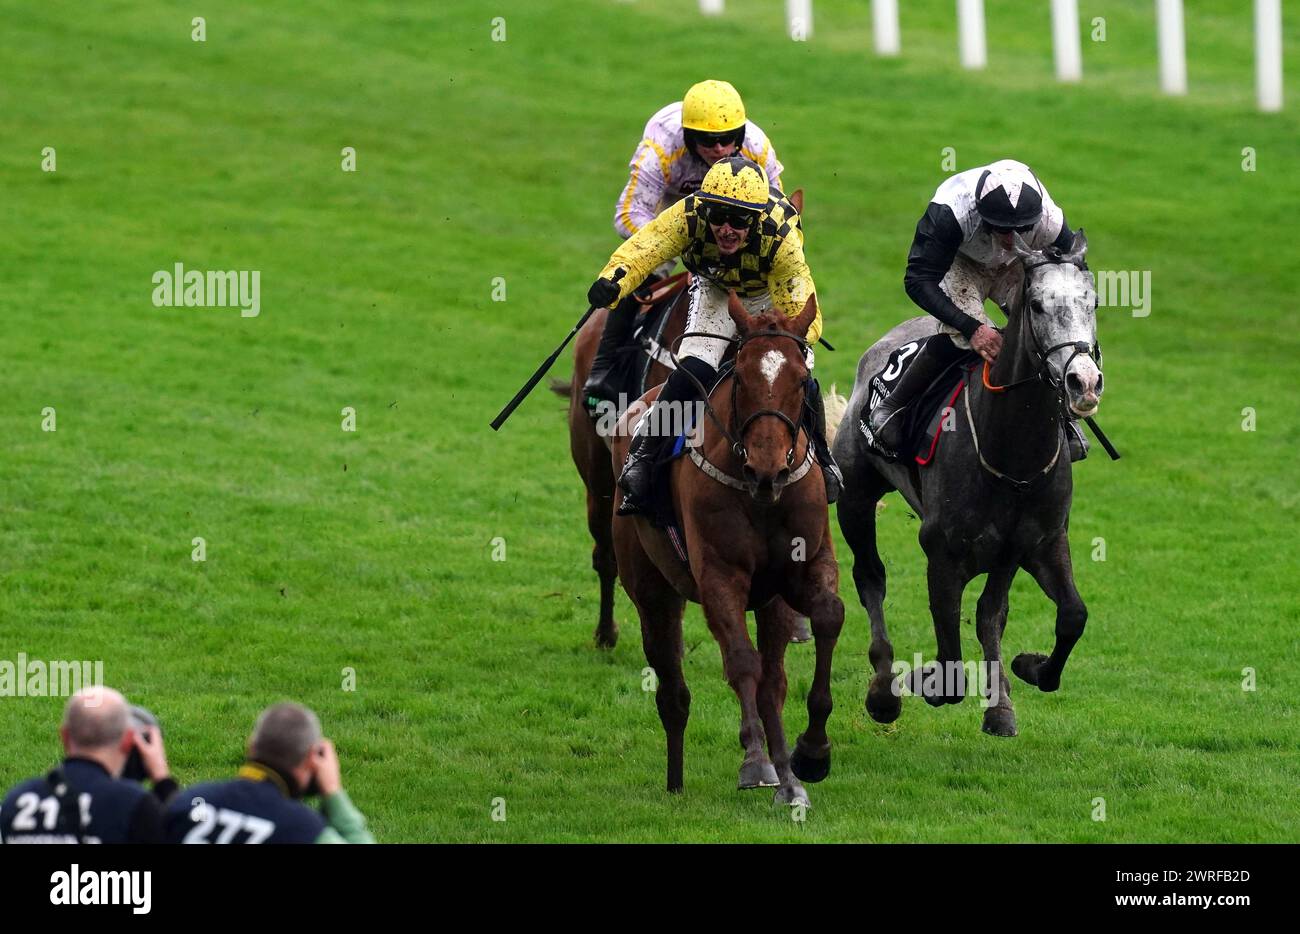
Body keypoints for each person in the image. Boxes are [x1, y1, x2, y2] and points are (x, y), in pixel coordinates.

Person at [587, 155, 841, 515]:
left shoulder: (781, 237)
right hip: (716, 288)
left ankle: (824, 459)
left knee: (796, 372)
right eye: (717, 216)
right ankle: (643, 456)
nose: (725, 228)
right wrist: (612, 280)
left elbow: (799, 304)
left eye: (738, 221)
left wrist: (793, 341)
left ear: (755, 220)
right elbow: (648, 246)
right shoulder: (689, 215)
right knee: (694, 369)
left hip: (769, 293)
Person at [584, 80, 785, 410]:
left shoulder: (758, 149)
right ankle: (604, 370)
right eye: (708, 140)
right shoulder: (662, 146)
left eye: (728, 139)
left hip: (733, 215)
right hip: (673, 209)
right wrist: (684, 247)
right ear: (688, 137)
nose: (720, 148)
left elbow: (776, 217)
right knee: (647, 266)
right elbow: (628, 214)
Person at [866, 159, 1087, 459]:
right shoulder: (950, 213)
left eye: (1021, 229)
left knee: (1043, 331)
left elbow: (1074, 275)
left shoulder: (1049, 219)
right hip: (962, 263)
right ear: (982, 216)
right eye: (1002, 230)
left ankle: (1065, 416)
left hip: (1018, 263)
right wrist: (973, 328)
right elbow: (918, 280)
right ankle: (893, 405)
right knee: (967, 339)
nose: (1010, 239)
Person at [165, 702, 373, 844]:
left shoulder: (191, 800)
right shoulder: (303, 830)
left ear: (250, 747)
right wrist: (333, 793)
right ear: (312, 760)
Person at [0, 686, 177, 843]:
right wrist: (162, 780)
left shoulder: (17, 801)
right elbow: (182, 835)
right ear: (127, 741)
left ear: (65, 737)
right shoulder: (132, 805)